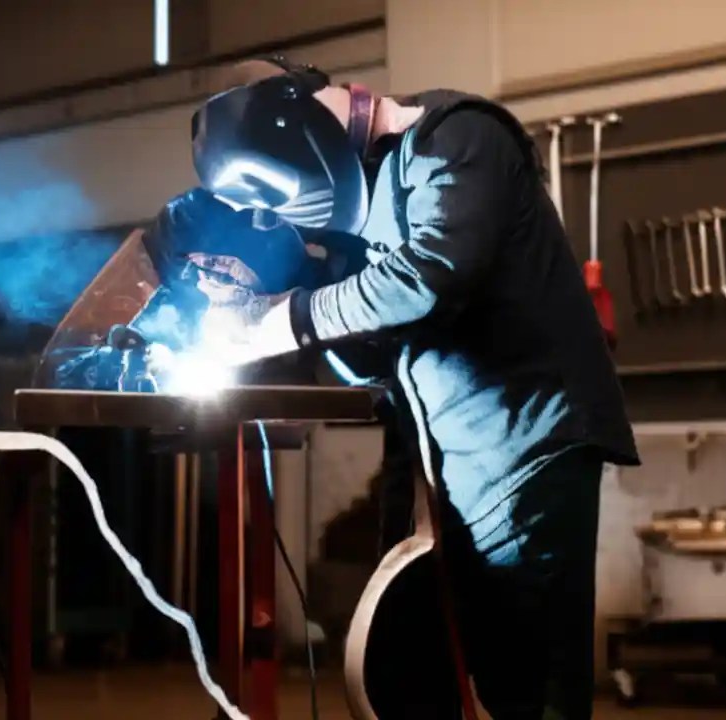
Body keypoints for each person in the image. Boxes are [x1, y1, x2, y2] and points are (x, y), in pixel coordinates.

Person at [187, 57, 641, 719]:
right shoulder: (367, 202)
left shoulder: (457, 138)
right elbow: (372, 351)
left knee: (528, 687)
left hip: (527, 447)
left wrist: (282, 321)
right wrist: (264, 299)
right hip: (440, 461)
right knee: (421, 672)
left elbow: (429, 277)